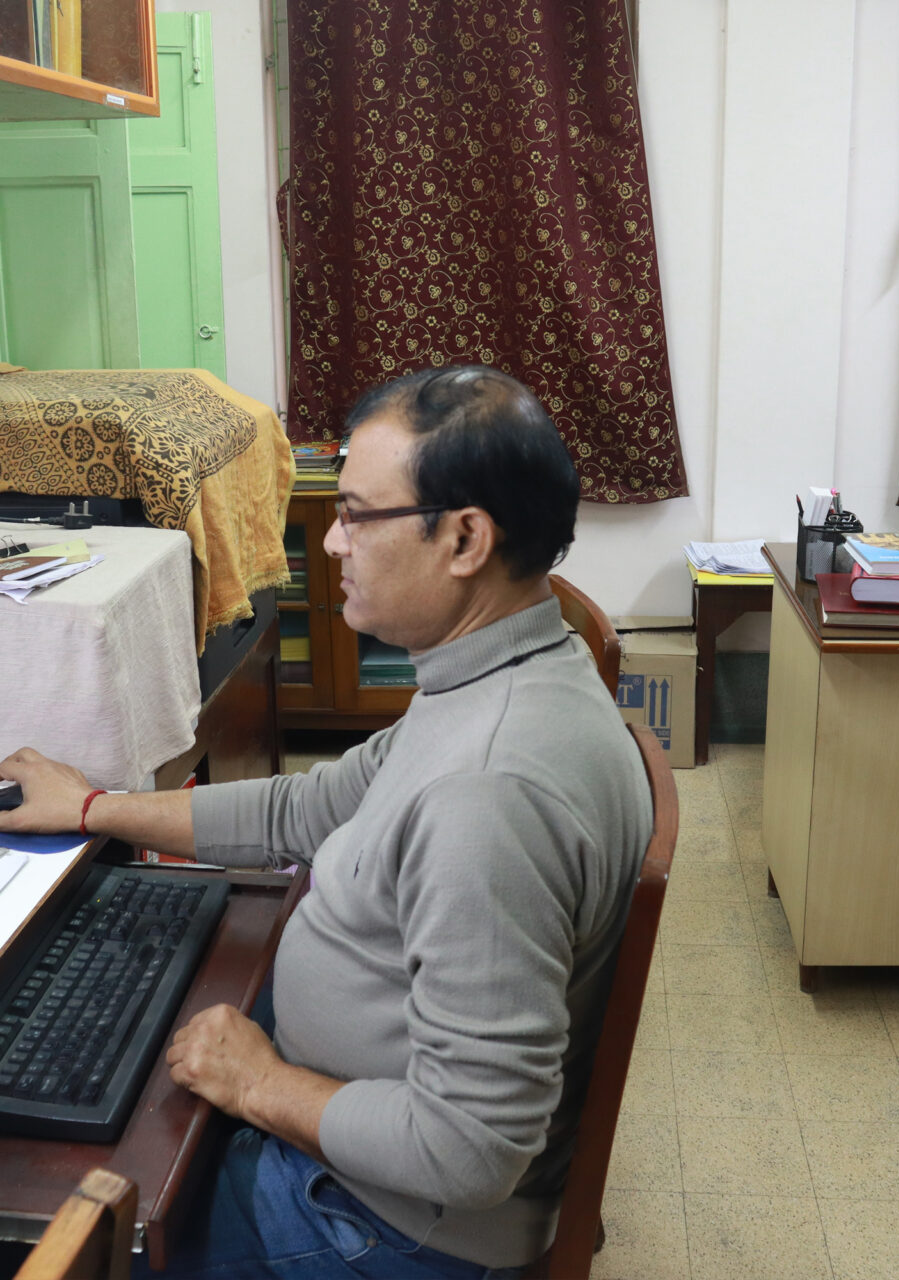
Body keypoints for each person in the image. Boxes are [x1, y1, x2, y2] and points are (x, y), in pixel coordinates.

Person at [0, 365, 654, 1279]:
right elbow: (308, 806)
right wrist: (92, 808)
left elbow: (470, 1150)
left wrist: (259, 1083)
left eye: (356, 514)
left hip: (379, 1228)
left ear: (466, 538)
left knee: (63, 1204)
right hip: (366, 1158)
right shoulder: (507, 668)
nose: (334, 541)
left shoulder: (489, 791)